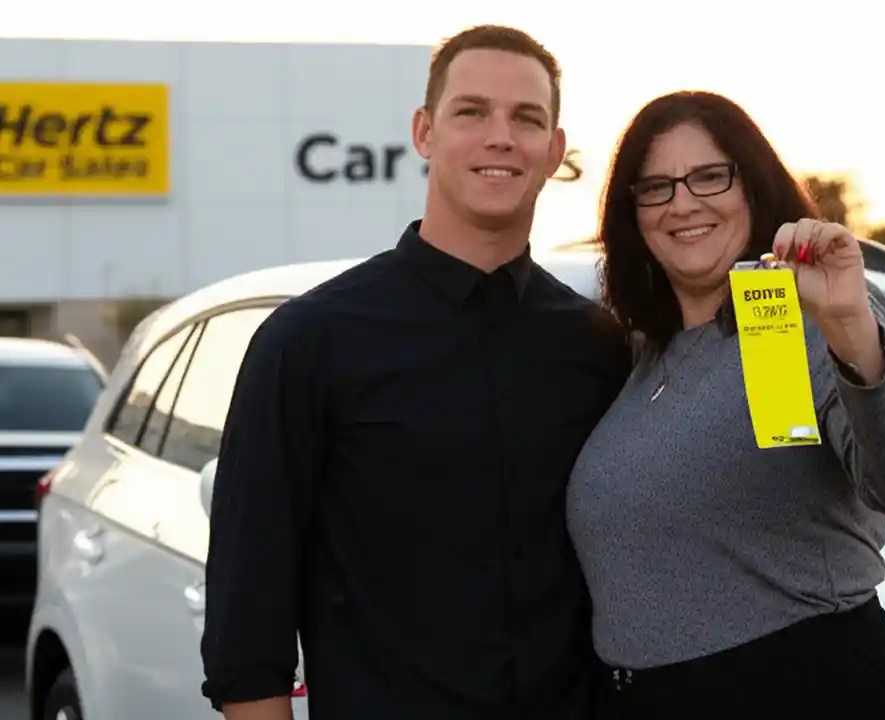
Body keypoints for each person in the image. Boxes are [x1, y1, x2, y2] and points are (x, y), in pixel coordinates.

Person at [200, 25, 631, 720]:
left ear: (554, 151)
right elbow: (247, 625)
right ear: (424, 132)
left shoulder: (597, 346)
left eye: (527, 119)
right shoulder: (309, 342)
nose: (500, 137)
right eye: (472, 112)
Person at [565, 91, 885, 719]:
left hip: (797, 689)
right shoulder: (646, 355)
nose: (683, 203)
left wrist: (850, 327)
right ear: (633, 213)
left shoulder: (797, 319)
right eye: (656, 187)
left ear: (753, 185)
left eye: (709, 176)